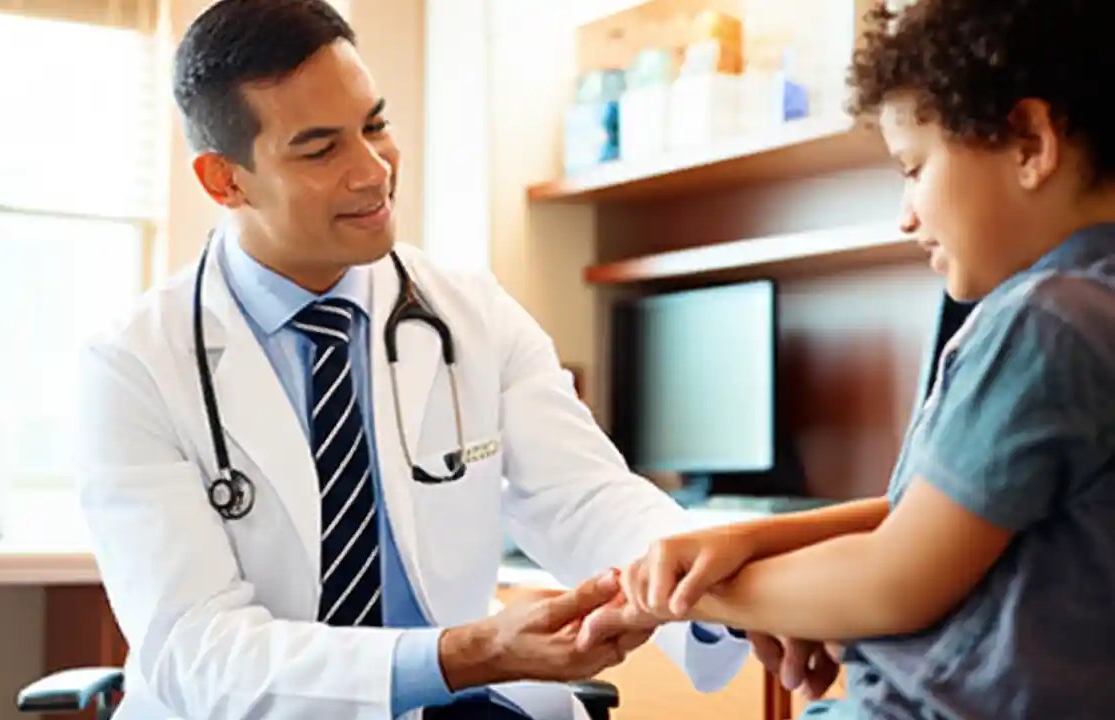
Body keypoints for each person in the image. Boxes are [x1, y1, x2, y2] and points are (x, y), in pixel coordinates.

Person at [74, 0, 751, 718]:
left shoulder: (470, 313)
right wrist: (468, 652)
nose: (373, 170)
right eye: (320, 149)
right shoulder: (133, 366)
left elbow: (585, 498)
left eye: (375, 125)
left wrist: (723, 591)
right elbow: (200, 651)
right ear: (224, 181)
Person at [579, 0, 1115, 717]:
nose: (906, 214)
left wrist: (691, 597)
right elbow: (930, 518)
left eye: (913, 167)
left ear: (1028, 142)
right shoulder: (1092, 307)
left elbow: (893, 578)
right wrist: (748, 541)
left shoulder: (1047, 321)